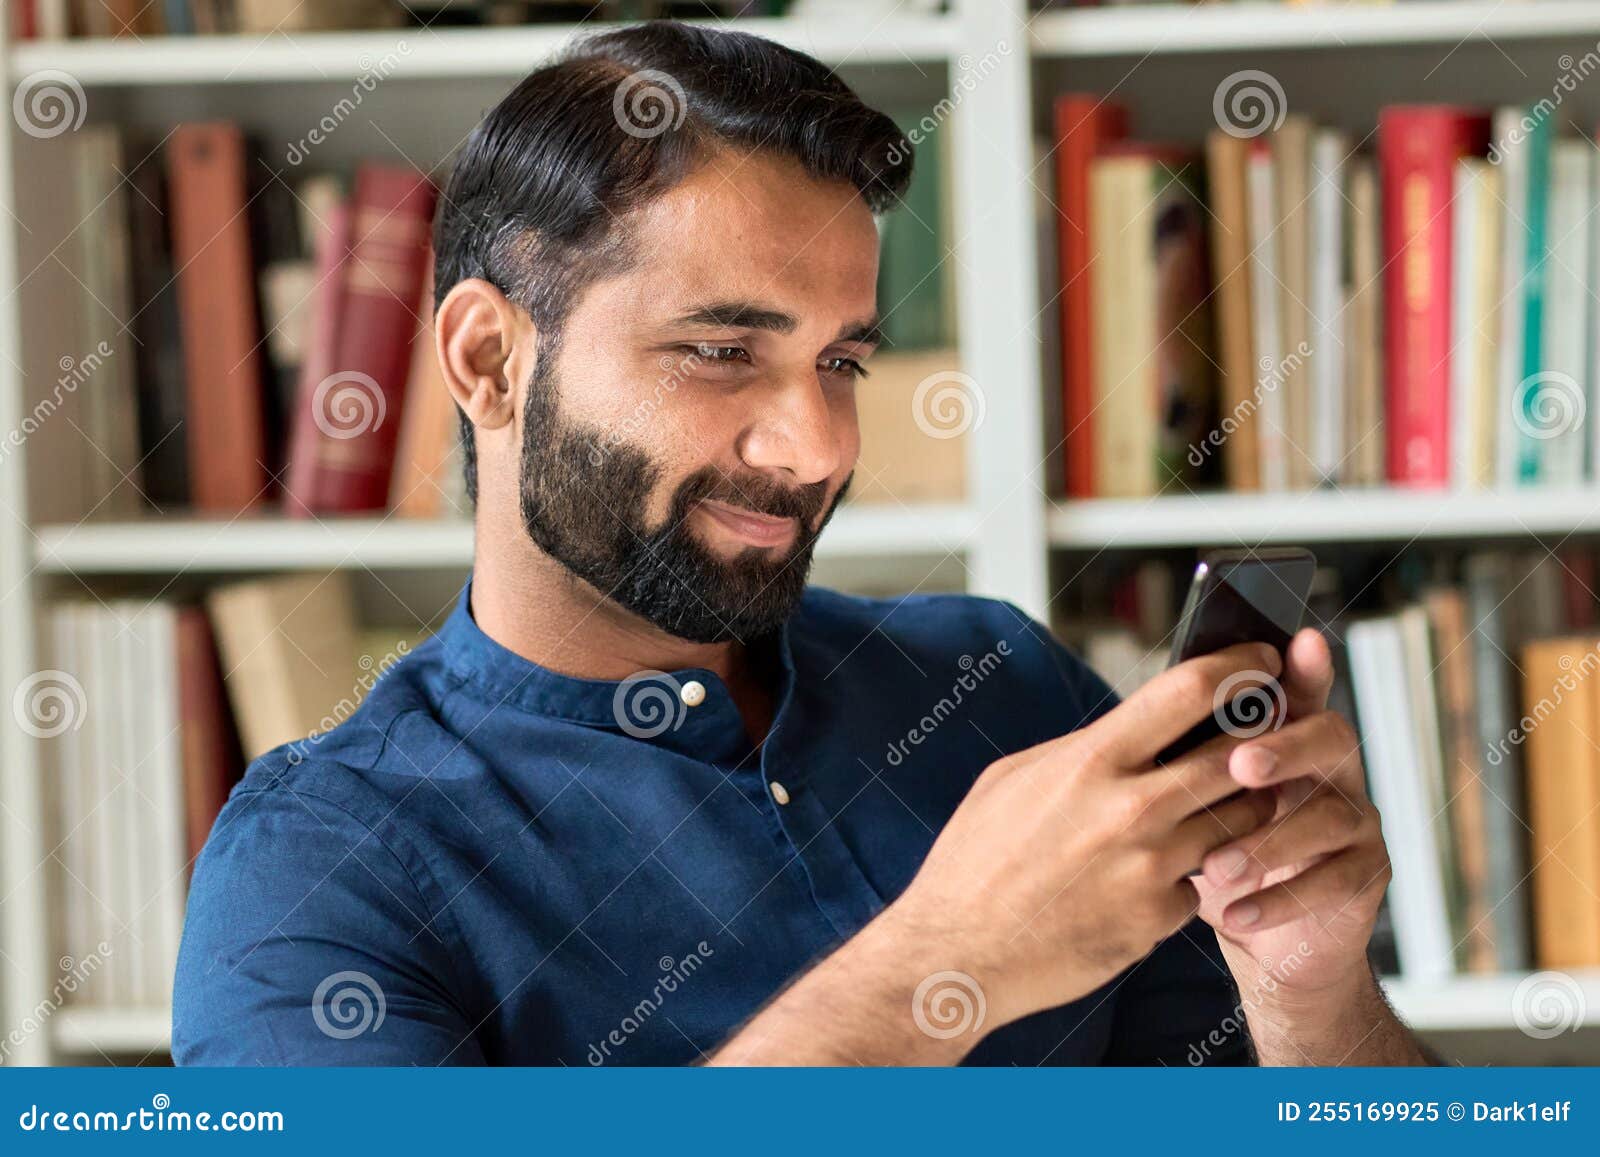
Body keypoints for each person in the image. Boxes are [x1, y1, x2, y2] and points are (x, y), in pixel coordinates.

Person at [173, 21, 1423, 1067]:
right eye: (721, 352)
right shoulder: (318, 865)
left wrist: (1310, 989)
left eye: (841, 362)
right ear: (489, 359)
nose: (814, 444)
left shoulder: (1001, 684)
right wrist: (950, 963)